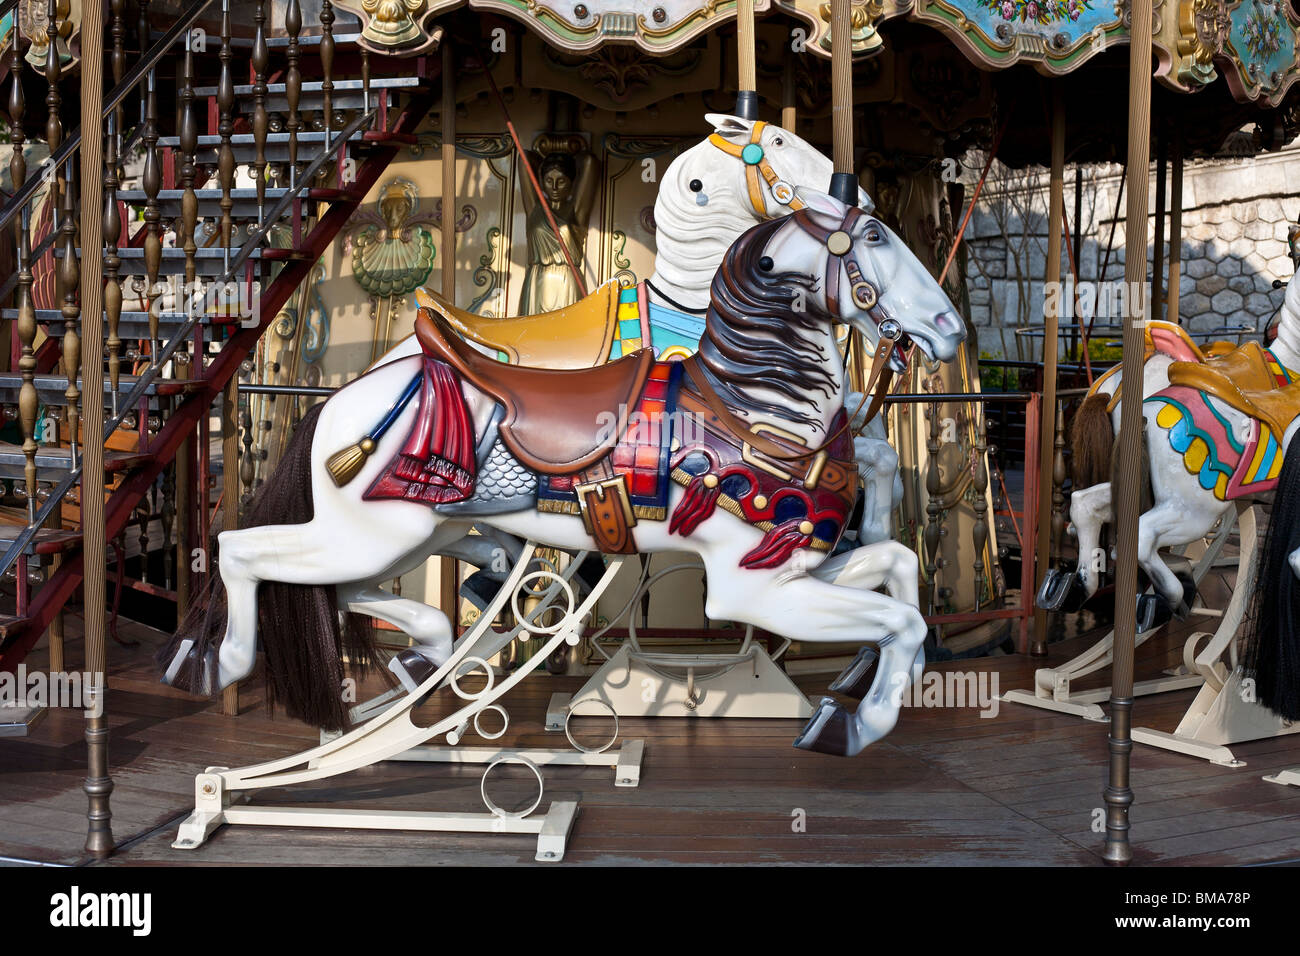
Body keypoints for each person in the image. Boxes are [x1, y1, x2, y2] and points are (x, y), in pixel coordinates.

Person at [518, 148, 598, 313]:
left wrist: (571, 157)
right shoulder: (534, 208)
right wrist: (543, 163)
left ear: (571, 183)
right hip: (536, 281)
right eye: (548, 180)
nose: (554, 187)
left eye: (561, 181)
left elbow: (590, 161)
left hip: (567, 280)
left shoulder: (576, 211)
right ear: (541, 181)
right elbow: (524, 158)